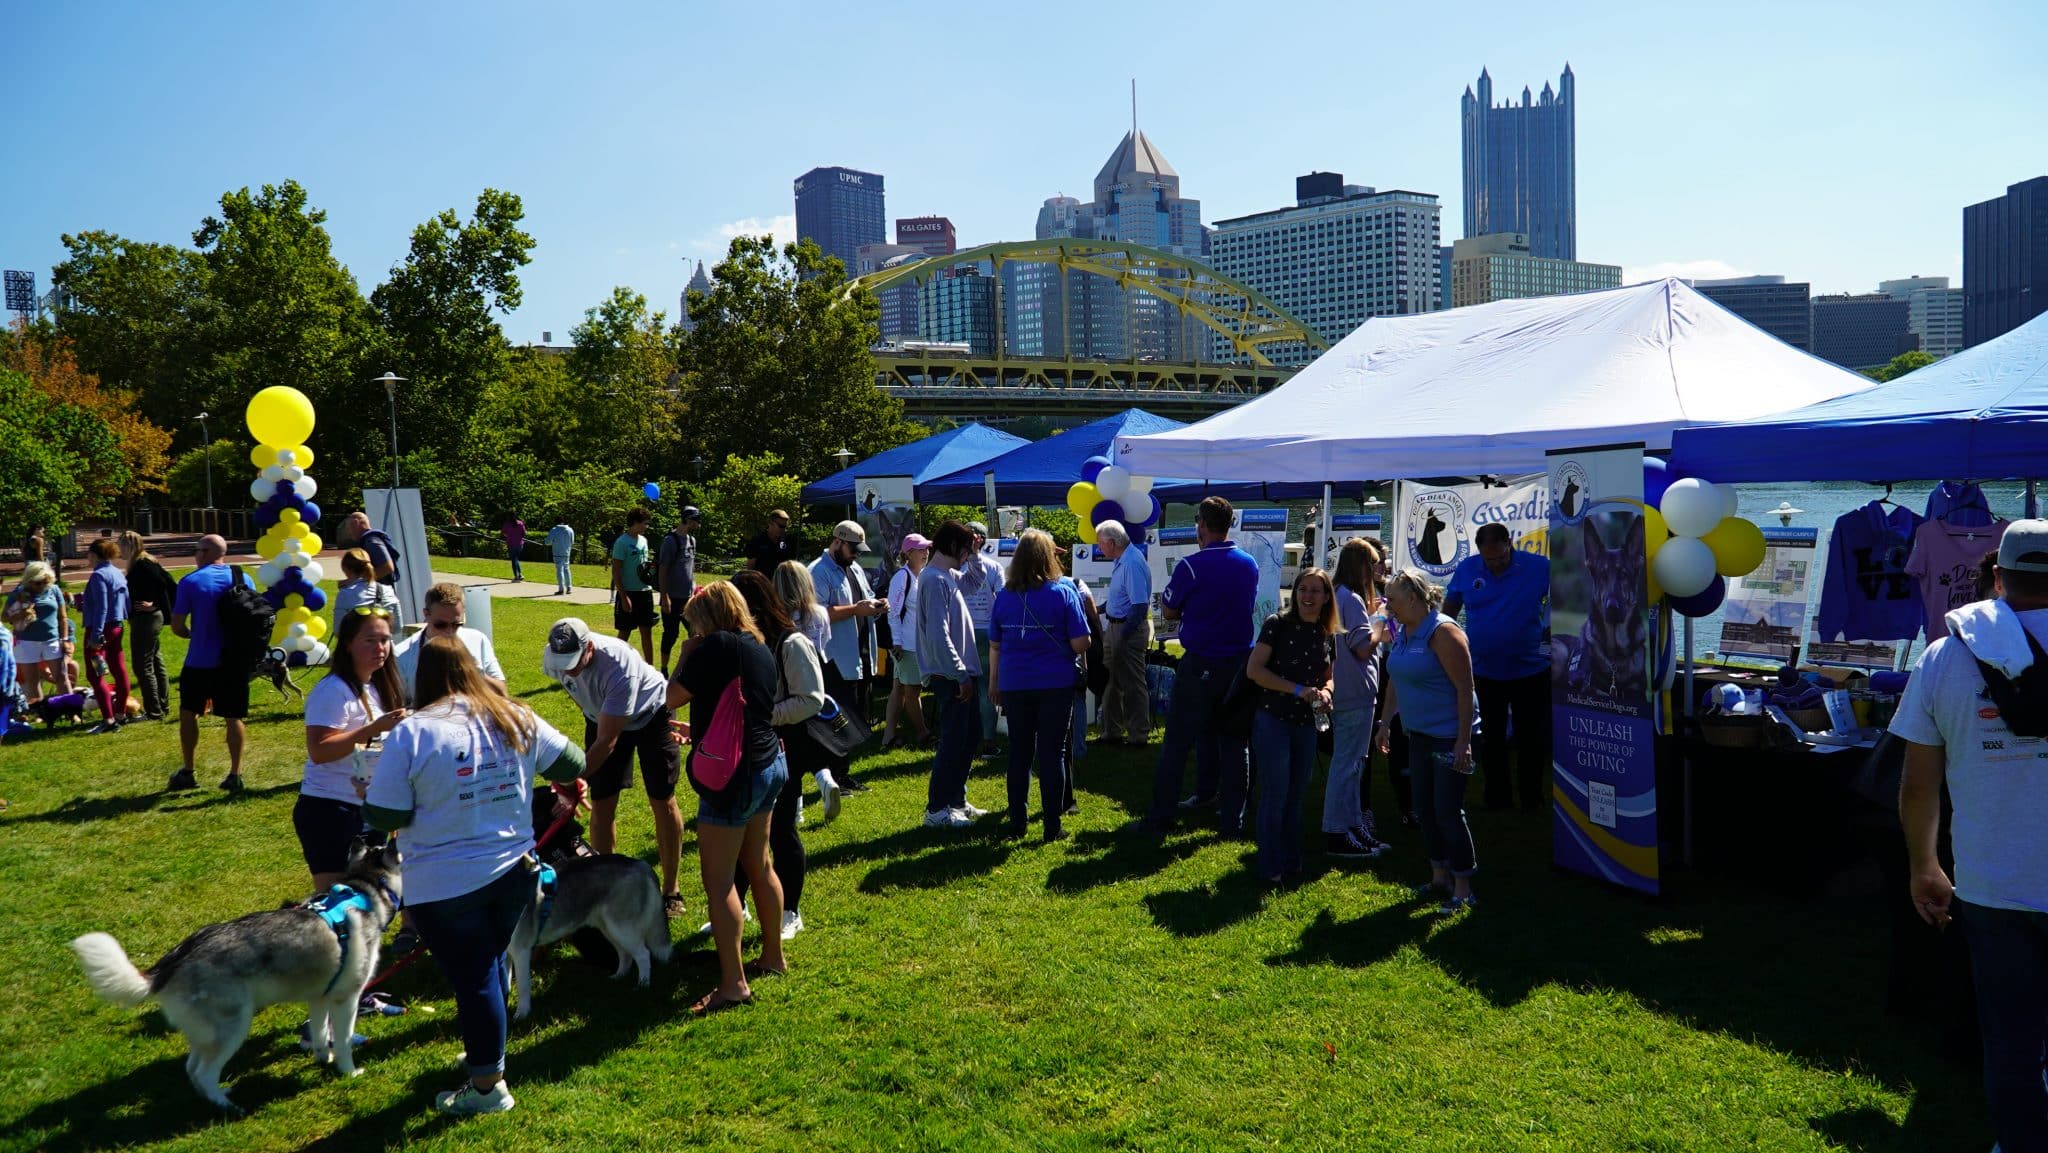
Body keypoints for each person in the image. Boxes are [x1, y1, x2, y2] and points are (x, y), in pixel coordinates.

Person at [364, 634, 582, 1115]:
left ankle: (488, 1088)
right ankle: (489, 1048)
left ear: (420, 677)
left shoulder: (413, 731)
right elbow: (572, 761)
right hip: (513, 871)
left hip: (444, 883)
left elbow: (384, 815)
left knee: (477, 975)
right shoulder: (515, 715)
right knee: (486, 966)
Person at [1895, 520, 2048, 1153]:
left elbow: (1919, 784)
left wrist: (1924, 866)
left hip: (1992, 882)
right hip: (1997, 886)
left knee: (2010, 1037)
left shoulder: (1945, 653)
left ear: (1998, 576)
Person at [666, 582, 788, 1015]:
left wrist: (684, 656)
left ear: (708, 617)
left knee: (719, 884)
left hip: (732, 778)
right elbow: (740, 708)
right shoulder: (757, 644)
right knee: (761, 864)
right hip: (768, 763)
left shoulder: (713, 645)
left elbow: (670, 698)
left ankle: (733, 984)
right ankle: (773, 956)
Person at [543, 616, 685, 915]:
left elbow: (608, 740)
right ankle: (604, 888)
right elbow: (579, 699)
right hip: (602, 718)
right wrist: (592, 710)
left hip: (652, 714)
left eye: (574, 660)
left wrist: (574, 779)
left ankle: (671, 891)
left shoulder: (618, 666)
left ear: (590, 648)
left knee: (662, 800)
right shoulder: (554, 659)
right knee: (602, 802)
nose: (568, 668)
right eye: (563, 662)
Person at [1134, 497, 1258, 837]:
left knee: (1177, 743)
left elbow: (1170, 610)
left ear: (1201, 524)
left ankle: (1161, 817)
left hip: (1203, 660)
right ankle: (1230, 818)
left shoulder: (1191, 565)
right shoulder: (1249, 563)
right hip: (1238, 663)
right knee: (1233, 742)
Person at [1378, 569, 1481, 914]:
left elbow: (1466, 690)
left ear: (1413, 597)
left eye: (1391, 597)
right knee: (1424, 809)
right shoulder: (1405, 631)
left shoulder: (1444, 632)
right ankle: (1439, 876)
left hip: (1449, 736)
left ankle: (1463, 887)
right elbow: (1395, 678)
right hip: (1417, 735)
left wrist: (1463, 742)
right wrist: (1385, 723)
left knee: (1447, 812)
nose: (1386, 604)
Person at [734, 570, 825, 938]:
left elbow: (812, 699)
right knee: (737, 829)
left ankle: (791, 911)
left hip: (783, 745)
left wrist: (766, 716)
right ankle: (736, 905)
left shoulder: (791, 642)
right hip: (745, 745)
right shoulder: (741, 643)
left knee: (781, 830)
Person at [987, 529, 1090, 842]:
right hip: (1055, 683)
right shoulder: (1062, 592)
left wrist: (994, 683)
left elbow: (995, 644)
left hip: (1015, 683)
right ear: (1049, 557)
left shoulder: (1004, 596)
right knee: (1052, 754)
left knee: (1019, 754)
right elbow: (1081, 642)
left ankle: (1017, 824)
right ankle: (1051, 827)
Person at [1443, 522, 1552, 811]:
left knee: (1531, 738)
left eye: (1500, 558)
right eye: (1489, 559)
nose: (1494, 565)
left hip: (1531, 669)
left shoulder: (1540, 567)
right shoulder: (1468, 569)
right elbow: (1449, 610)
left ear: (1510, 545)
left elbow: (1572, 595)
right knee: (1491, 737)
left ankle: (1532, 798)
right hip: (1483, 670)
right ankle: (1497, 797)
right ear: (1480, 552)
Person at [299, 606, 408, 891]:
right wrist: (372, 729)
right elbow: (320, 751)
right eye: (370, 641)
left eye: (384, 640)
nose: (380, 648)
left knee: (368, 895)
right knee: (335, 897)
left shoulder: (376, 686)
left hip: (368, 804)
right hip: (330, 808)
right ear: (348, 644)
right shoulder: (332, 690)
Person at [1245, 568, 1340, 882]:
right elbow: (1255, 671)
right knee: (1275, 793)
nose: (1308, 597)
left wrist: (1326, 692)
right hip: (1273, 719)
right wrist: (1298, 690)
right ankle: (1270, 867)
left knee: (1296, 795)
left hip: (1306, 723)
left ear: (1327, 597)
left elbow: (1329, 675)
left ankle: (1292, 861)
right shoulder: (1277, 625)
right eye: (1303, 589)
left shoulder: (1326, 632)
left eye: (1315, 591)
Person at [167, 536, 253, 793]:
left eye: (196, 551)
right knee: (233, 717)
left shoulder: (190, 581)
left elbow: (177, 625)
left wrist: (190, 633)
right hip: (234, 660)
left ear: (203, 553)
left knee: (189, 713)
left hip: (200, 660)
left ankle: (189, 770)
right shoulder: (243, 577)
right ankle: (235, 773)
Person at [810, 521, 888, 794]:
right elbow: (816, 613)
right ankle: (830, 778)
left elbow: (864, 600)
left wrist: (878, 605)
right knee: (834, 721)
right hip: (834, 658)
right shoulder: (817, 572)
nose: (857, 554)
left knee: (849, 720)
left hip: (859, 656)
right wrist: (856, 609)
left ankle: (842, 775)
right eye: (853, 548)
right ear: (838, 542)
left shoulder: (853, 567)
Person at [917, 520, 985, 829]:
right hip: (951, 675)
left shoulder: (947, 576)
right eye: (967, 551)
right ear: (955, 548)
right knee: (953, 741)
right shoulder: (935, 580)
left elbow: (975, 582)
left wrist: (978, 553)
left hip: (958, 673)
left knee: (967, 739)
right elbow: (937, 634)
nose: (969, 558)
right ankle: (937, 809)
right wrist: (959, 674)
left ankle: (956, 801)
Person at [1328, 539, 1392, 856]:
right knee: (1349, 764)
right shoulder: (1350, 598)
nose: (1378, 570)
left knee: (1355, 764)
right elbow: (1362, 647)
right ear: (1363, 566)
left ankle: (1353, 826)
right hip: (1354, 693)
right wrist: (1379, 621)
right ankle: (1337, 831)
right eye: (1375, 563)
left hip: (1347, 690)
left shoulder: (1338, 594)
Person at [392, 583, 505, 701]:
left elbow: (502, 693)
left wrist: (477, 673)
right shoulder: (402, 655)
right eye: (441, 625)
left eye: (457, 624)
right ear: (426, 614)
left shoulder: (478, 640)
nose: (449, 632)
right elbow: (395, 706)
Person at [1096, 520, 1154, 746]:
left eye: (1100, 543)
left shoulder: (1131, 563)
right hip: (1115, 626)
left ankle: (1138, 735)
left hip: (1126, 629)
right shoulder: (1123, 559)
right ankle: (1112, 732)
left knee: (1132, 683)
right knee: (1111, 681)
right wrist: (1099, 609)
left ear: (1112, 542)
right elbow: (1122, 598)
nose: (1099, 548)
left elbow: (1139, 606)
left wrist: (1123, 636)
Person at [957, 521, 1006, 758]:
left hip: (962, 633)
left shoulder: (953, 567)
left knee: (963, 685)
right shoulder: (994, 566)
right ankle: (988, 742)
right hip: (988, 632)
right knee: (987, 687)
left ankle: (964, 739)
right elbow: (1004, 598)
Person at [882, 534, 934, 749]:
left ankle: (888, 737)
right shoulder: (902, 577)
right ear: (908, 554)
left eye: (927, 549)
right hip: (906, 645)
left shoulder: (921, 575)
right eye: (921, 550)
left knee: (900, 689)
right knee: (912, 691)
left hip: (913, 643)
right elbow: (893, 613)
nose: (926, 553)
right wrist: (897, 642)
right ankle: (923, 734)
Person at [119, 531, 174, 722]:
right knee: (155, 661)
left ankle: (154, 711)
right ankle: (161, 706)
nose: (120, 550)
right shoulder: (143, 562)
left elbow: (166, 584)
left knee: (143, 665)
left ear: (130, 545)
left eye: (122, 546)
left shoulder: (143, 563)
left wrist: (156, 604)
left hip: (147, 619)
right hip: (146, 618)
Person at [80, 537, 131, 734]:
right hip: (117, 625)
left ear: (94, 555)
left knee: (95, 674)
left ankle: (108, 720)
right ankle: (120, 713)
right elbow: (125, 600)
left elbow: (102, 607)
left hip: (100, 629)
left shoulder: (98, 575)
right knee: (119, 669)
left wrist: (96, 634)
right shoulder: (118, 573)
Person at [7, 561, 72, 705]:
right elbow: (4, 617)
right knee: (32, 679)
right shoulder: (19, 592)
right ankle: (39, 712)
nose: (42, 586)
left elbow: (63, 617)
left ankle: (70, 710)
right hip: (26, 641)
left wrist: (66, 639)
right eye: (38, 583)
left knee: (61, 676)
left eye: (45, 582)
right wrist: (22, 613)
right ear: (29, 580)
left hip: (52, 639)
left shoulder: (54, 590)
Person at [657, 506, 702, 673]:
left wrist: (694, 590)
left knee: (696, 632)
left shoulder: (692, 540)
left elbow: (690, 568)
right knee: (671, 634)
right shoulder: (670, 541)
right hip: (672, 597)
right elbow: (663, 570)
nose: (698, 524)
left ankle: (693, 667)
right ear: (688, 520)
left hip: (688, 598)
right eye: (696, 520)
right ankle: (663, 668)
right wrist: (665, 596)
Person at [609, 508, 656, 663]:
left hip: (644, 592)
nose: (646, 526)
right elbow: (616, 571)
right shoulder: (621, 542)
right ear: (635, 523)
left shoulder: (644, 540)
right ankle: (615, 667)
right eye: (644, 523)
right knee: (624, 633)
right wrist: (624, 597)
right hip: (628, 593)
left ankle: (650, 669)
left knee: (646, 632)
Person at [333, 548, 400, 621]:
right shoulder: (388, 590)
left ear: (345, 569)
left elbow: (338, 629)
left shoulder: (345, 594)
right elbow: (398, 629)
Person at [344, 511, 399, 584]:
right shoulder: (368, 541)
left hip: (380, 592)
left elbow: (387, 567)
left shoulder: (371, 541)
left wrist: (357, 581)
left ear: (356, 523)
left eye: (348, 528)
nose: (348, 533)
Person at [747, 509, 795, 575]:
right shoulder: (757, 541)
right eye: (781, 526)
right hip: (763, 582)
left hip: (782, 583)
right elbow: (750, 568)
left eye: (785, 527)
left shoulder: (788, 541)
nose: (784, 530)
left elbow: (791, 565)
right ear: (770, 523)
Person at [546, 519, 576, 596]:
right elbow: (572, 541)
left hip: (557, 552)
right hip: (567, 552)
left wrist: (551, 542)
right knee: (566, 569)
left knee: (559, 570)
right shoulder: (570, 529)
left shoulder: (554, 530)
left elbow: (547, 542)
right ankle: (569, 587)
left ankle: (561, 589)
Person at [501, 515, 527, 583]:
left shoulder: (507, 524)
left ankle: (516, 576)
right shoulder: (520, 523)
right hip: (519, 544)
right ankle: (520, 575)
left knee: (514, 560)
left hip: (511, 544)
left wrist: (509, 535)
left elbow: (503, 532)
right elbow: (524, 533)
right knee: (516, 559)